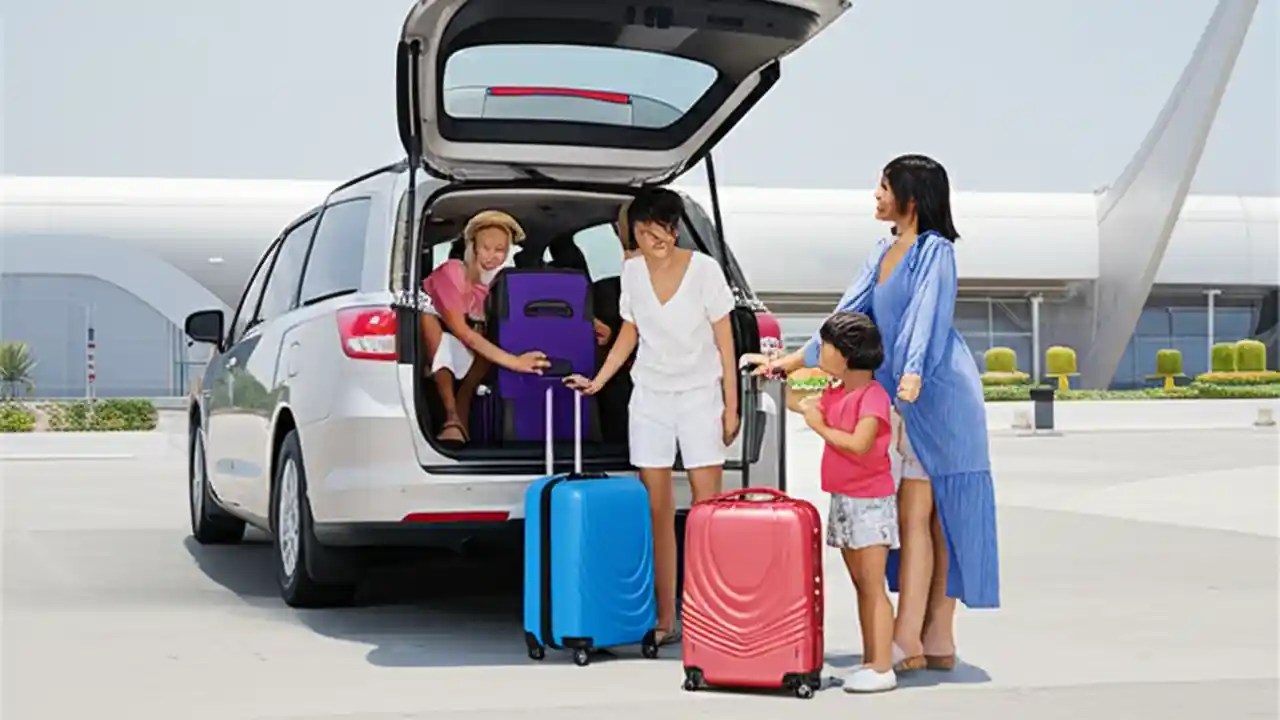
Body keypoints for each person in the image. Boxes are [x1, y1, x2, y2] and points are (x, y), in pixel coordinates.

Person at [753, 154, 1000, 672]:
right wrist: (790, 361)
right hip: (905, 393)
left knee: (939, 515)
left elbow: (928, 315)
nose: (876, 195)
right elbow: (846, 317)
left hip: (938, 393)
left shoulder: (935, 251)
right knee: (914, 516)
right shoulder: (882, 251)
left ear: (910, 196)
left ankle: (925, 635)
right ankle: (922, 637)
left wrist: (911, 374)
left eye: (884, 187)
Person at [565, 188, 740, 646]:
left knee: (706, 508)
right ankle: (666, 619)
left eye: (665, 230)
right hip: (650, 397)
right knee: (656, 510)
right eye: (646, 232)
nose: (658, 240)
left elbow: (726, 343)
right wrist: (598, 381)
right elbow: (630, 332)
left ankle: (708, 615)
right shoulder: (632, 272)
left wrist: (732, 405)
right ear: (634, 235)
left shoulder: (705, 270)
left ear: (675, 228)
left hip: (700, 394)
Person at [789, 311, 898, 693]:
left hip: (870, 503)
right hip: (845, 499)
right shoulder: (837, 391)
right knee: (860, 584)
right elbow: (798, 399)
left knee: (872, 586)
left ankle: (882, 667)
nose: (820, 351)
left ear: (847, 354)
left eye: (826, 346)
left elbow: (859, 444)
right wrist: (778, 369)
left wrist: (818, 425)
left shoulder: (873, 397)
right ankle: (871, 660)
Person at [419, 209, 550, 444]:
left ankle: (463, 410)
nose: (492, 256)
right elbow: (462, 332)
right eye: (486, 248)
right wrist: (515, 362)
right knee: (430, 322)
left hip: (472, 348)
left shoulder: (496, 286)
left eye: (500, 250)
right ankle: (452, 415)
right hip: (437, 342)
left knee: (491, 334)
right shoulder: (452, 272)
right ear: (473, 247)